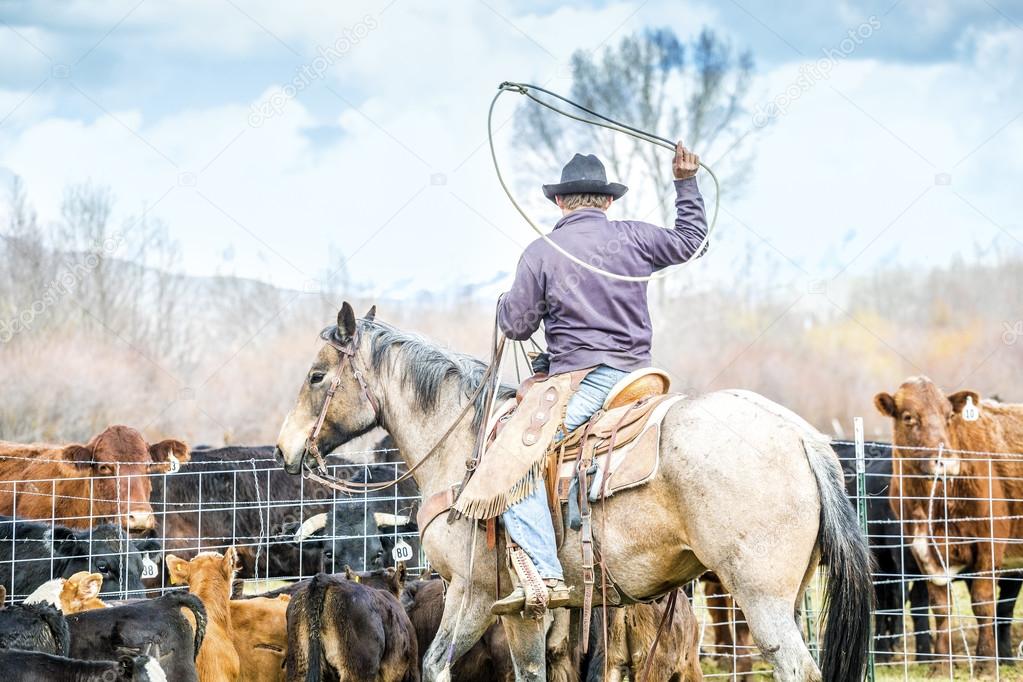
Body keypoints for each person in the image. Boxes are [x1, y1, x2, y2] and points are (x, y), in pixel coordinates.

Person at [490, 142, 709, 615]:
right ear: (608, 201)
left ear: (560, 202)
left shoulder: (542, 252)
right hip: (643, 378)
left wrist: (507, 301)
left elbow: (516, 325)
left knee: (513, 456)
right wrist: (685, 182)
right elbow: (692, 241)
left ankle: (545, 571)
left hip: (584, 381)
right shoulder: (633, 237)